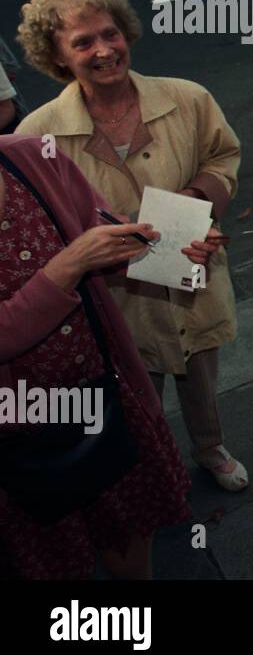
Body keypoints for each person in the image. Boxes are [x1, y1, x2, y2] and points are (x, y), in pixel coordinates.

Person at [14, 0, 247, 494]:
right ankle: (148, 467)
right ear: (57, 57)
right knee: (133, 388)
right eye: (82, 42)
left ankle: (209, 448)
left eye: (110, 33)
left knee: (200, 371)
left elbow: (223, 156)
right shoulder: (38, 133)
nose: (103, 50)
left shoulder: (187, 98)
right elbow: (34, 224)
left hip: (190, 272)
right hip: (112, 296)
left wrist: (198, 200)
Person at [0, 133, 202, 579]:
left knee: (128, 526)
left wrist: (174, 247)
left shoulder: (31, 155)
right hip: (15, 430)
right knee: (49, 555)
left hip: (102, 390)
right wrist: (68, 265)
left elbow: (101, 230)